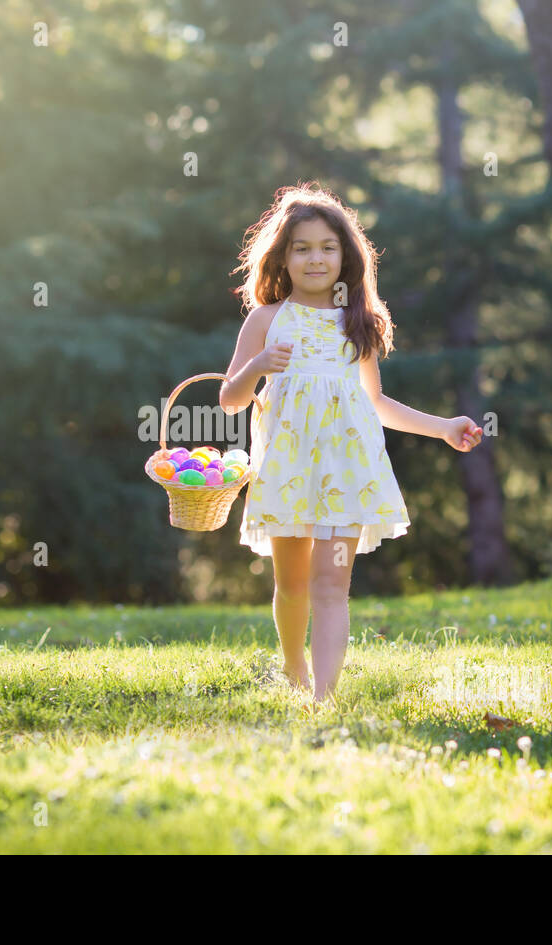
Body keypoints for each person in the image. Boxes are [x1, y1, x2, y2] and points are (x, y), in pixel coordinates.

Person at [220, 182, 483, 707]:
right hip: (289, 470)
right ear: (283, 256)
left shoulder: (355, 324)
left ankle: (324, 698)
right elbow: (230, 399)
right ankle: (293, 667)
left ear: (346, 256)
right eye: (302, 247)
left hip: (346, 472)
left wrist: (444, 426)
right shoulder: (268, 320)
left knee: (332, 586)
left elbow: (377, 405)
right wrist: (257, 366)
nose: (316, 258)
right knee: (292, 585)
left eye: (327, 247)